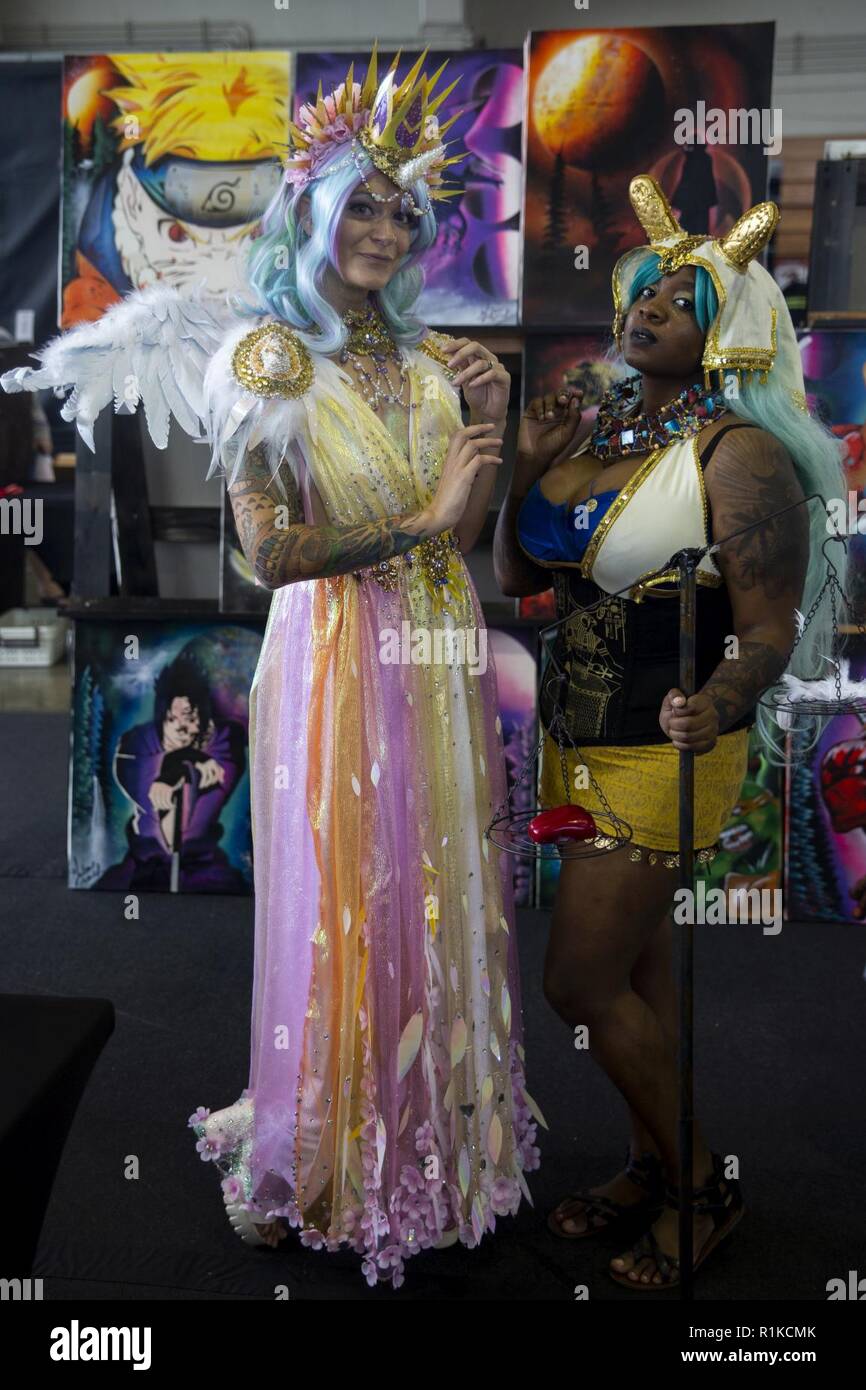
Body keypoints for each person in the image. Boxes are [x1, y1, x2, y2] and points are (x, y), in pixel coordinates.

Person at [2, 44, 542, 1290]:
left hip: (433, 645)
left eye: (403, 207)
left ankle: (438, 1135)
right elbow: (270, 558)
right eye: (362, 200)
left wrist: (492, 429)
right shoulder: (266, 364)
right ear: (306, 214)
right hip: (339, 651)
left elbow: (463, 533)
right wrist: (420, 520)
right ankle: (336, 1142)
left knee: (439, 875)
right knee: (350, 883)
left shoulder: (427, 365)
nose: (387, 225)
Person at [493, 174, 843, 1289]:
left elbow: (766, 627)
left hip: (666, 744)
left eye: (675, 301)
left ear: (726, 329)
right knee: (633, 982)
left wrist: (722, 700)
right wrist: (521, 463)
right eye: (639, 293)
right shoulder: (602, 424)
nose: (642, 310)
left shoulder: (737, 453)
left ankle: (703, 1186)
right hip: (575, 733)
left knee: (579, 986)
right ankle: (647, 1162)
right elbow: (519, 576)